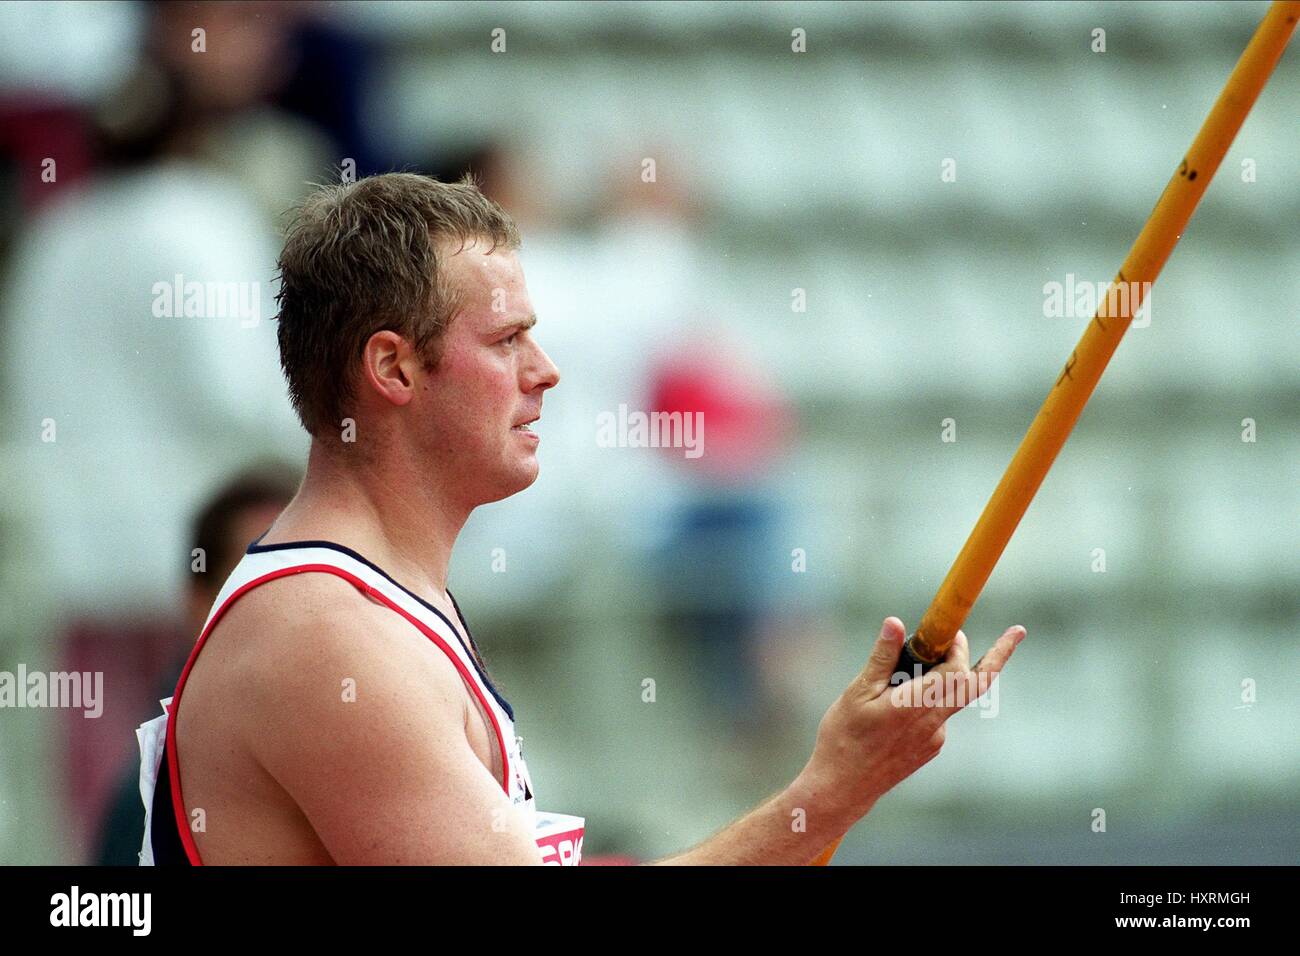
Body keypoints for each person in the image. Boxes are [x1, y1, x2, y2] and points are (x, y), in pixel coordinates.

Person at [137, 172, 1026, 865]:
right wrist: (832, 791)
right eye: (507, 340)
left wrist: (838, 787)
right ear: (394, 370)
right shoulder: (324, 640)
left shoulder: (373, 606)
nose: (547, 370)